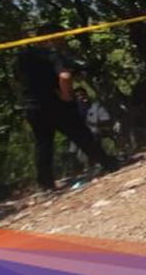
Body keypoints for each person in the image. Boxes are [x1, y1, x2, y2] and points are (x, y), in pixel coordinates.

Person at [15, 25, 121, 191]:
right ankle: (108, 163)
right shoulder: (52, 55)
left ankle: (46, 184)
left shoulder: (23, 57)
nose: (63, 41)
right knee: (81, 134)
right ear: (49, 38)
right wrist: (67, 95)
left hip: (33, 106)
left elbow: (20, 80)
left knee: (43, 144)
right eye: (60, 37)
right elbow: (64, 76)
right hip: (55, 104)